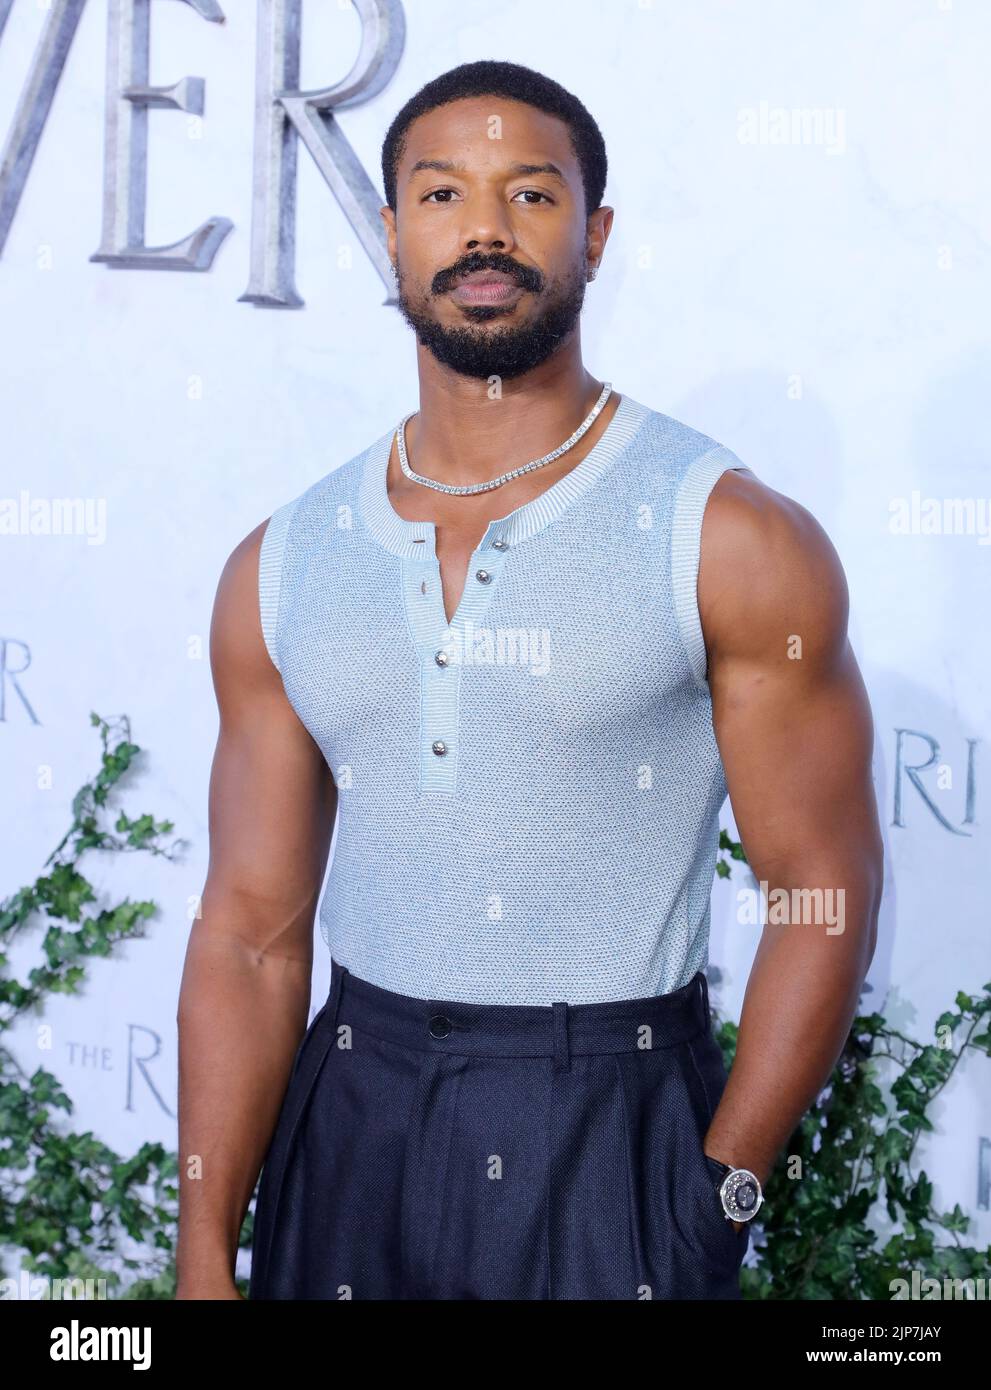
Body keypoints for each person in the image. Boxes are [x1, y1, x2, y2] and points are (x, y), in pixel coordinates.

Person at [175, 60, 883, 1301]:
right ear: (390, 233)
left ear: (594, 235)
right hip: (350, 1120)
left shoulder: (729, 536)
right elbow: (246, 933)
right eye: (441, 194)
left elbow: (821, 885)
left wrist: (712, 1200)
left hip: (611, 1130)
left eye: (532, 195)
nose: (484, 229)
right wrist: (198, 1257)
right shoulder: (280, 565)